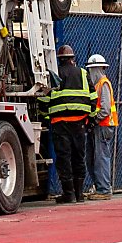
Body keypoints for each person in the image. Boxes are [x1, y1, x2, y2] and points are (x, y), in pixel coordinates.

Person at [40, 44, 95, 204]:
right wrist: (90, 118)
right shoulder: (83, 73)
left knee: (64, 158)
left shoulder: (53, 75)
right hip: (80, 123)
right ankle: (80, 194)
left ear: (59, 59)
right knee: (79, 157)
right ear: (73, 59)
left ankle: (68, 194)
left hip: (60, 123)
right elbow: (93, 97)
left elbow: (44, 100)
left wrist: (46, 117)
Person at [85, 52, 117, 200]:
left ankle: (104, 189)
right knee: (94, 157)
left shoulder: (103, 83)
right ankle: (100, 187)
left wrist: (94, 120)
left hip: (103, 126)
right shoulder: (98, 84)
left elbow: (105, 109)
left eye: (92, 70)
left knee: (101, 158)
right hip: (100, 126)